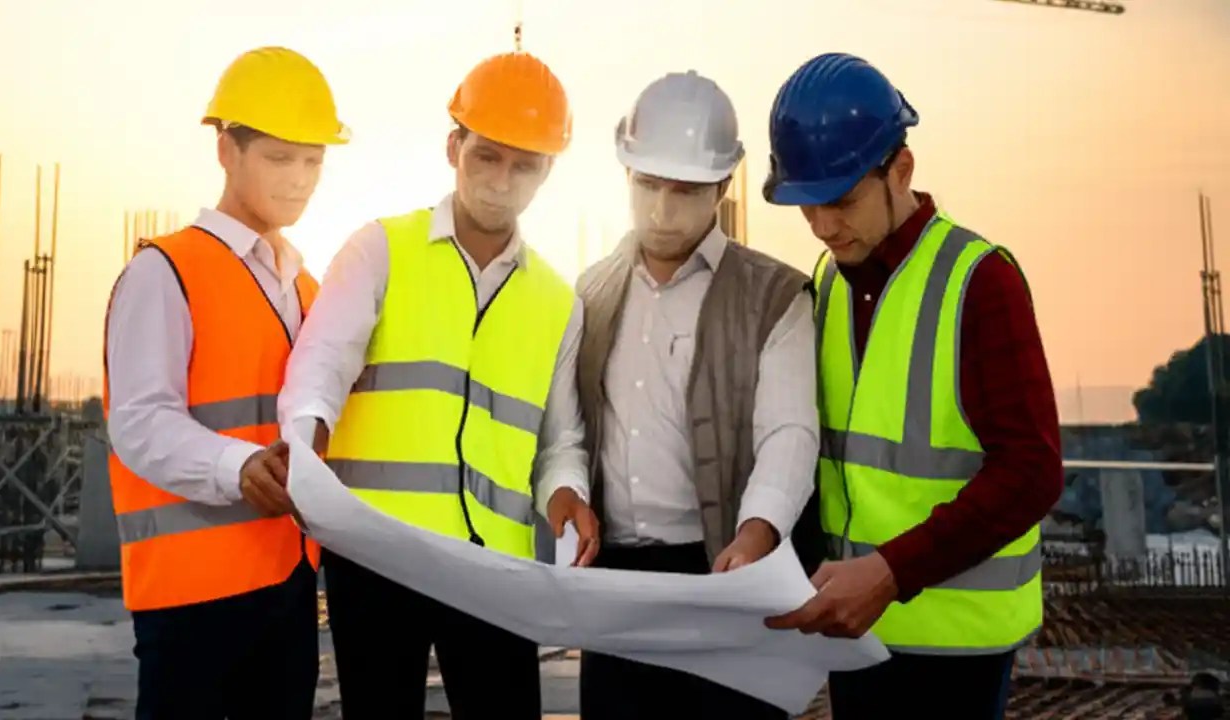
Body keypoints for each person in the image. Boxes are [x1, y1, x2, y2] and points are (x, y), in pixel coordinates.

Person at [277, 49, 598, 720]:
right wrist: (303, 449)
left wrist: (568, 491)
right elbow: (320, 365)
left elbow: (559, 437)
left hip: (493, 569)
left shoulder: (556, 300)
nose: (502, 180)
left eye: (525, 165)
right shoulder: (379, 250)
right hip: (378, 555)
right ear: (454, 146)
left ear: (546, 174)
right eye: (487, 155)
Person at [760, 52, 1063, 718]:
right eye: (806, 205)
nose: (822, 225)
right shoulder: (830, 282)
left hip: (955, 651)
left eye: (839, 201)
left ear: (901, 170)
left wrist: (892, 571)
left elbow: (1034, 472)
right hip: (854, 633)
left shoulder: (980, 281)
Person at [103, 46, 349, 719]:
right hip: (191, 602)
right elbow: (139, 422)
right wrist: (238, 466)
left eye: (314, 160)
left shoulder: (305, 287)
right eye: (279, 157)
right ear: (225, 151)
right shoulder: (166, 272)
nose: (299, 179)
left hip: (288, 585)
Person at [574, 70, 819, 720]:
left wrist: (758, 532)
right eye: (647, 185)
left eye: (683, 191)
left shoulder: (774, 298)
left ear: (723, 184)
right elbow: (570, 430)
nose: (660, 209)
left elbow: (789, 433)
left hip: (723, 573)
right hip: (616, 584)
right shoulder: (590, 294)